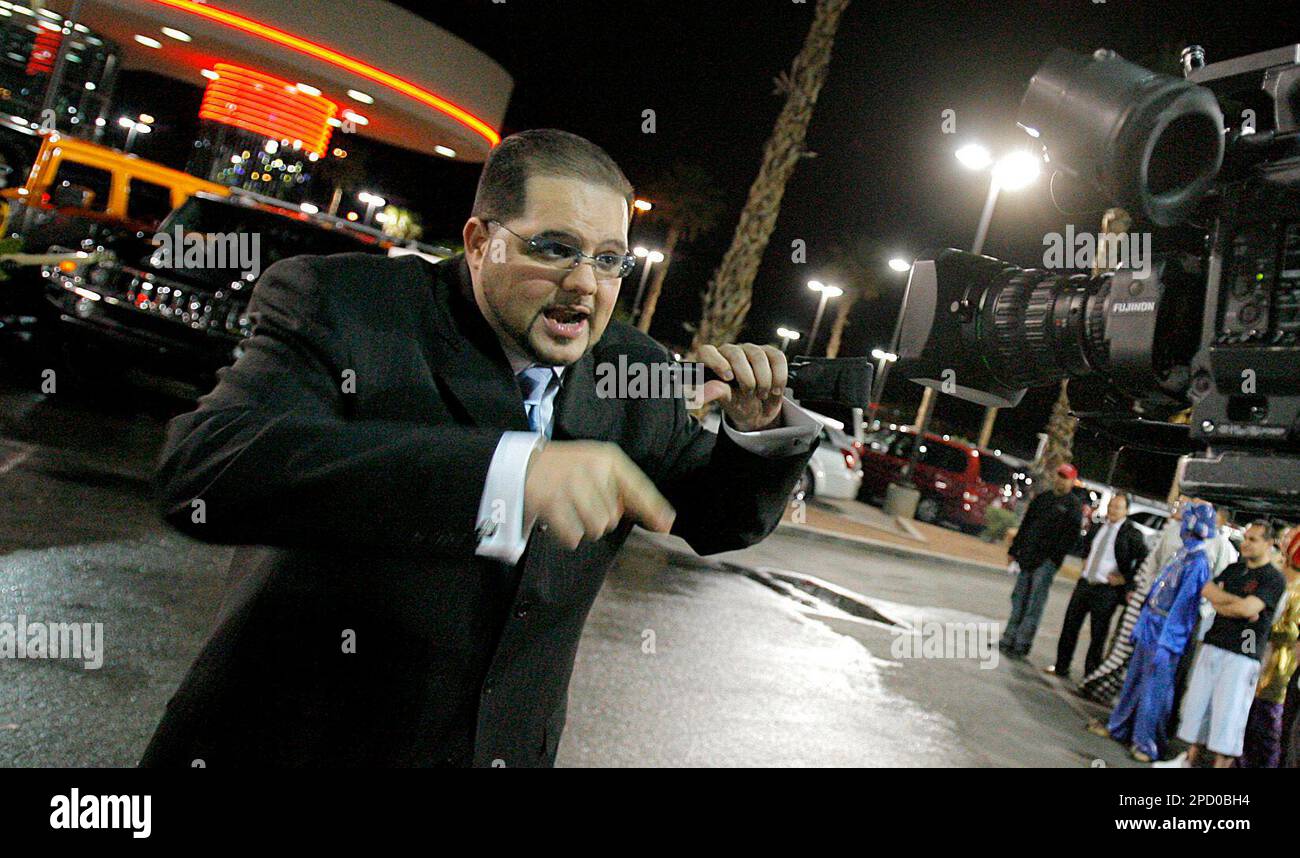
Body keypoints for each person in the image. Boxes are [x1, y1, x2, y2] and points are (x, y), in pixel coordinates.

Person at [139, 129, 820, 767]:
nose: (585, 283)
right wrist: (505, 476)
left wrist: (757, 433)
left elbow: (713, 517)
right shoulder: (346, 305)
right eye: (554, 248)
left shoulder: (633, 373)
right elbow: (206, 468)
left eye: (610, 260)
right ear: (477, 242)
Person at [1087, 500, 1217, 763]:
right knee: (1134, 680)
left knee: (1155, 690)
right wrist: (1142, 624)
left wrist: (1169, 641)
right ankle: (1119, 727)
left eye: (1185, 516)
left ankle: (1146, 744)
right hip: (1152, 624)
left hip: (1167, 633)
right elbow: (1156, 591)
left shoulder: (1199, 561)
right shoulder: (1182, 554)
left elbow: (1184, 607)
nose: (1179, 519)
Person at [1160, 521, 1286, 767]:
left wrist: (1232, 604)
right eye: (1246, 537)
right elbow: (1208, 591)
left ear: (1269, 544)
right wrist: (1236, 605)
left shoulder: (1273, 578)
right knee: (1198, 707)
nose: (1246, 543)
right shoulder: (1234, 569)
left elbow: (1248, 609)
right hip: (1214, 643)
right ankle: (1189, 760)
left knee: (1228, 719)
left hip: (1243, 653)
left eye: (1253, 539)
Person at [1078, 498, 1187, 704]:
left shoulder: (1181, 539)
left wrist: (1132, 584)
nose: (1175, 509)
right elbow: (1148, 566)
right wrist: (1135, 587)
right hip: (1141, 598)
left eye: (1181, 506)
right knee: (1122, 646)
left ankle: (1098, 685)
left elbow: (1158, 568)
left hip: (1154, 605)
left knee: (1127, 651)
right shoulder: (1169, 531)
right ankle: (1098, 686)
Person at [1048, 493, 1148, 680]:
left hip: (1106, 590)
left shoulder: (1131, 534)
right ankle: (1061, 666)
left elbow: (1144, 560)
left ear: (1126, 511)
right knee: (1070, 626)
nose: (1112, 510)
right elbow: (1087, 545)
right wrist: (1085, 559)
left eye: (1117, 507)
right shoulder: (1099, 526)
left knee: (1098, 634)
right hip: (1085, 583)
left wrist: (1125, 579)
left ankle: (1091, 674)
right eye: (1111, 506)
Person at [1001, 463, 1084, 659]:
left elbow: (1071, 538)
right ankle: (1008, 638)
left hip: (1045, 563)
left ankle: (1022, 643)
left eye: (1065, 477)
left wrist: (1053, 558)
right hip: (1027, 557)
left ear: (1072, 481)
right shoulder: (1043, 498)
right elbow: (1027, 524)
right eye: (1059, 476)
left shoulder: (1072, 506)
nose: (1060, 480)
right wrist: (1015, 550)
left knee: (1034, 604)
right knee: (1018, 599)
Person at [1238, 527, 1300, 767]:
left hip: (1279, 672)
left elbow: (1292, 633)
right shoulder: (1280, 581)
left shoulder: (1295, 590)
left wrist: (1262, 622)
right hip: (1262, 663)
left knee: (1268, 731)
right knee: (1250, 723)